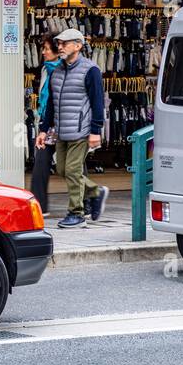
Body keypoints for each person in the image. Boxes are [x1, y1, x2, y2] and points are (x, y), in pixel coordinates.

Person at [36, 27, 109, 228]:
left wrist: (96, 130)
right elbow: (51, 103)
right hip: (61, 131)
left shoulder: (90, 70)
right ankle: (95, 191)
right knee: (62, 169)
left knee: (72, 170)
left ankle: (76, 213)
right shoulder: (56, 71)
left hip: (81, 130)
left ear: (78, 45)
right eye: (59, 43)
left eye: (64, 43)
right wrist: (43, 129)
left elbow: (97, 102)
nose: (60, 47)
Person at [29, 33, 61, 216]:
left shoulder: (61, 70)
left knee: (70, 166)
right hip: (48, 123)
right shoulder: (46, 69)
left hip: (60, 123)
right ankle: (39, 204)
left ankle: (92, 196)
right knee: (41, 162)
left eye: (47, 49)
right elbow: (46, 100)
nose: (43, 52)